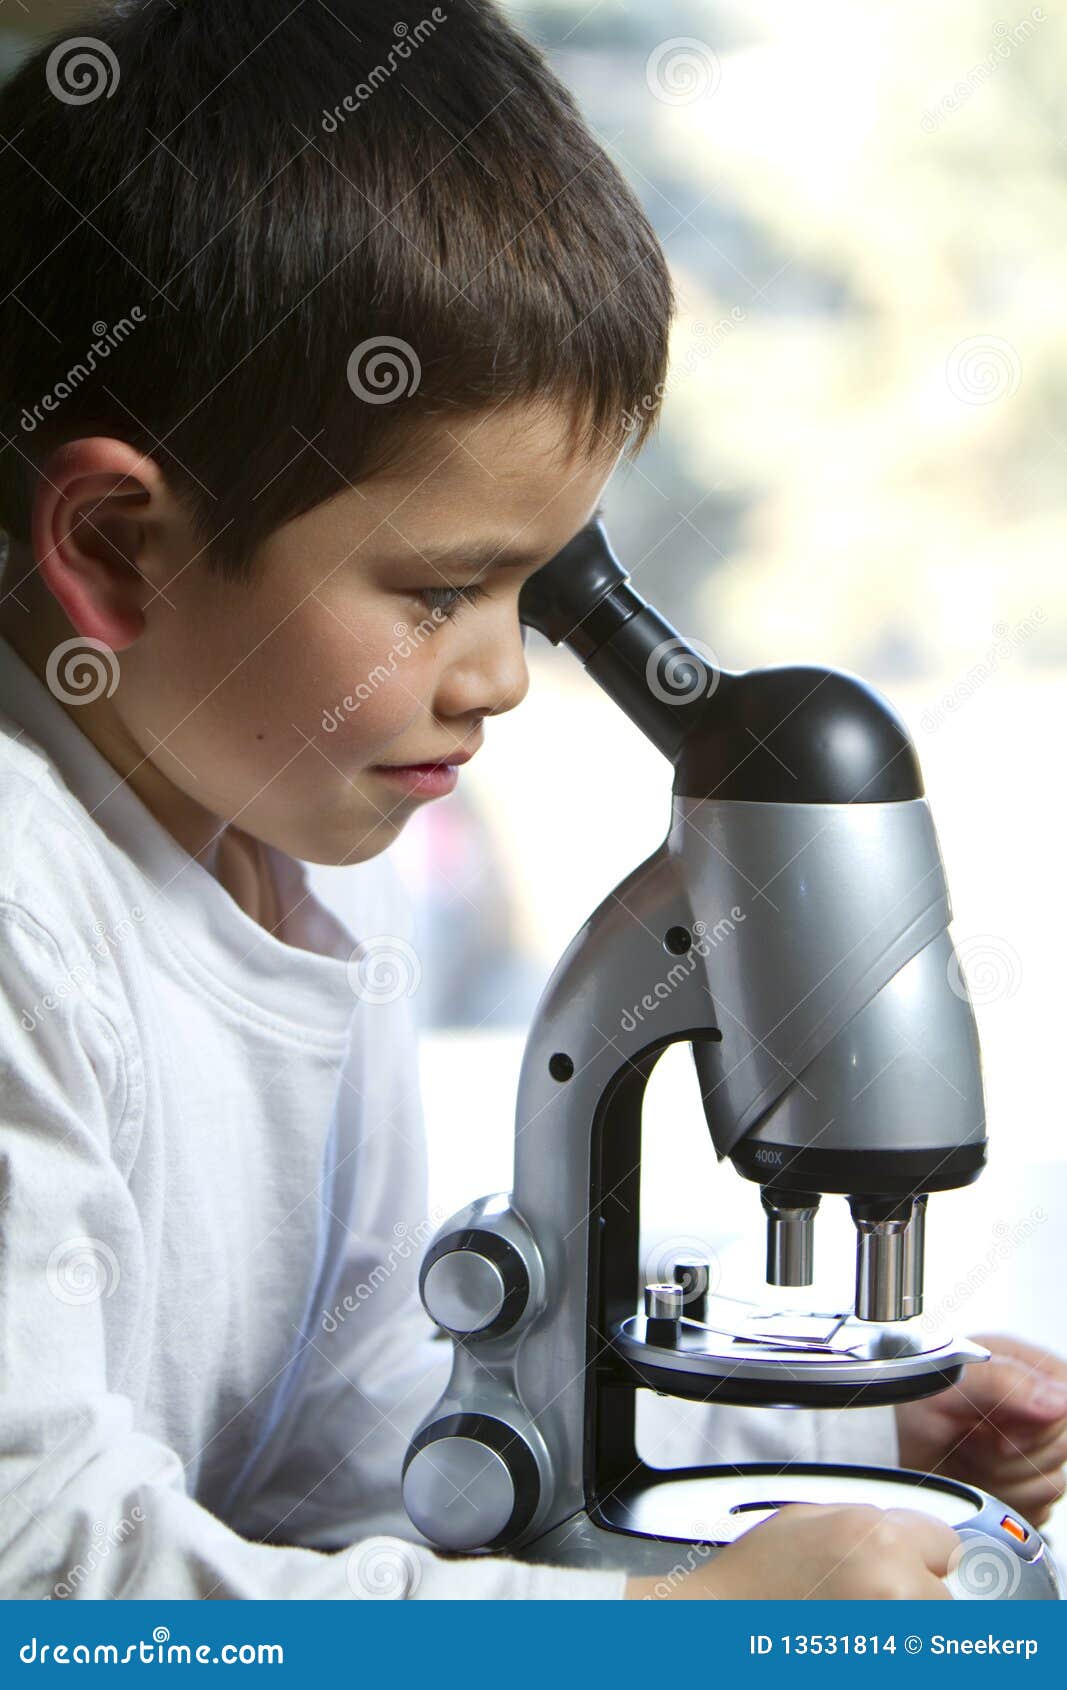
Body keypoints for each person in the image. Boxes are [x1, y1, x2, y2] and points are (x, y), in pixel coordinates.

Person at [0, 0, 1062, 1601]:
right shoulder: (26, 915)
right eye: (442, 590)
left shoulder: (309, 857)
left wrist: (810, 1440)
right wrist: (661, 1630)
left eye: (538, 584)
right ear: (116, 547)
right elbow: (41, 1579)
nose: (501, 674)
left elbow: (339, 1455)